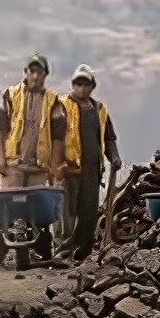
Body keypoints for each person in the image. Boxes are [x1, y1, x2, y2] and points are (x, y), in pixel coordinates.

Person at [0, 53, 66, 265]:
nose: (35, 76)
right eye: (31, 71)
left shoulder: (53, 101)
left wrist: (55, 164)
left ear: (44, 75)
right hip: (14, 164)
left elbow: (59, 136)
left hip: (38, 167)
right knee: (6, 211)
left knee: (38, 215)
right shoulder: (10, 94)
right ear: (26, 73)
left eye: (39, 72)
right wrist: (0, 158)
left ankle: (41, 251)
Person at [52, 64, 121, 262]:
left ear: (92, 87)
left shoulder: (99, 110)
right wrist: (56, 165)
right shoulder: (61, 106)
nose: (82, 88)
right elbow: (51, 138)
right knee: (66, 214)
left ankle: (83, 254)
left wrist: (114, 157)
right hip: (68, 169)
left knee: (88, 213)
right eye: (78, 84)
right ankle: (63, 253)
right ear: (73, 85)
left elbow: (109, 138)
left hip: (91, 170)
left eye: (86, 84)